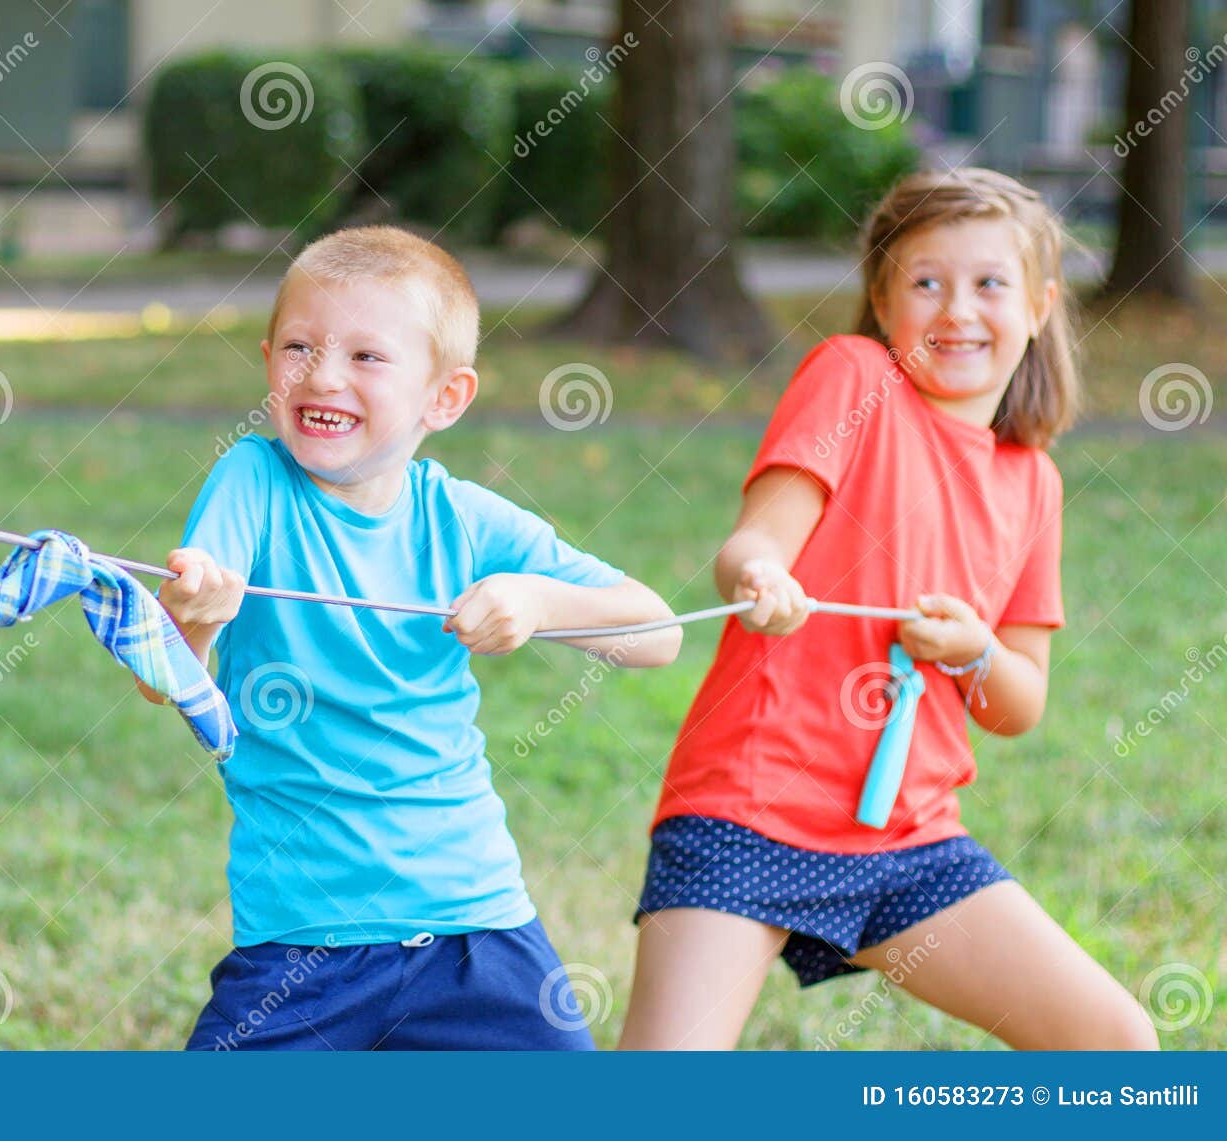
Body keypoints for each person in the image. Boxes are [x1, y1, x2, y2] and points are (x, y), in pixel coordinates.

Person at [621, 168, 1158, 1050]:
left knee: (1116, 1044)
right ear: (882, 297)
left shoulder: (1033, 482)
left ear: (1038, 305)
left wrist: (977, 648)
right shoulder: (854, 375)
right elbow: (752, 544)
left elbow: (1018, 703)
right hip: (751, 811)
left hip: (910, 842)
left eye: (989, 283)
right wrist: (763, 578)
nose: (957, 310)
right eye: (925, 282)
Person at [140, 225, 682, 1050]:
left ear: (445, 397)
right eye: (298, 346)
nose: (322, 373)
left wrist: (537, 599)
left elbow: (658, 632)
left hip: (476, 929)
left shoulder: (462, 518)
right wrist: (199, 615)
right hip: (300, 945)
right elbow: (164, 672)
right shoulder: (251, 479)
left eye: (366, 356)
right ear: (267, 361)